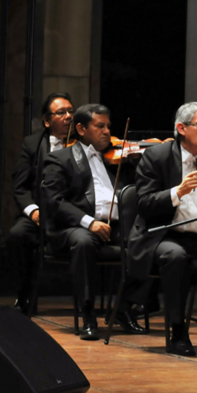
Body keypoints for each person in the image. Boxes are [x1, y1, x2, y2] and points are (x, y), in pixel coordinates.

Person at [128, 102, 197, 357]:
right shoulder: (157, 156)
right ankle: (177, 333)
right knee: (175, 257)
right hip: (163, 233)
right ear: (181, 128)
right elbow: (144, 203)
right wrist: (177, 192)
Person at [41, 104, 141, 340]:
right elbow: (54, 201)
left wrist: (136, 162)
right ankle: (87, 315)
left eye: (108, 126)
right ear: (81, 129)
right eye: (100, 126)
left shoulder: (115, 160)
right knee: (84, 242)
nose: (107, 132)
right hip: (73, 228)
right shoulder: (59, 159)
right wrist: (89, 222)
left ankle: (124, 307)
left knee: (151, 241)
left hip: (114, 226)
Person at [7, 93, 73, 314]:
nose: (68, 116)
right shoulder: (32, 144)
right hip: (41, 214)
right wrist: (33, 212)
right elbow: (20, 186)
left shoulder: (83, 143)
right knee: (17, 235)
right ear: (47, 120)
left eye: (71, 111)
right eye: (61, 112)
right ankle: (24, 295)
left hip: (73, 214)